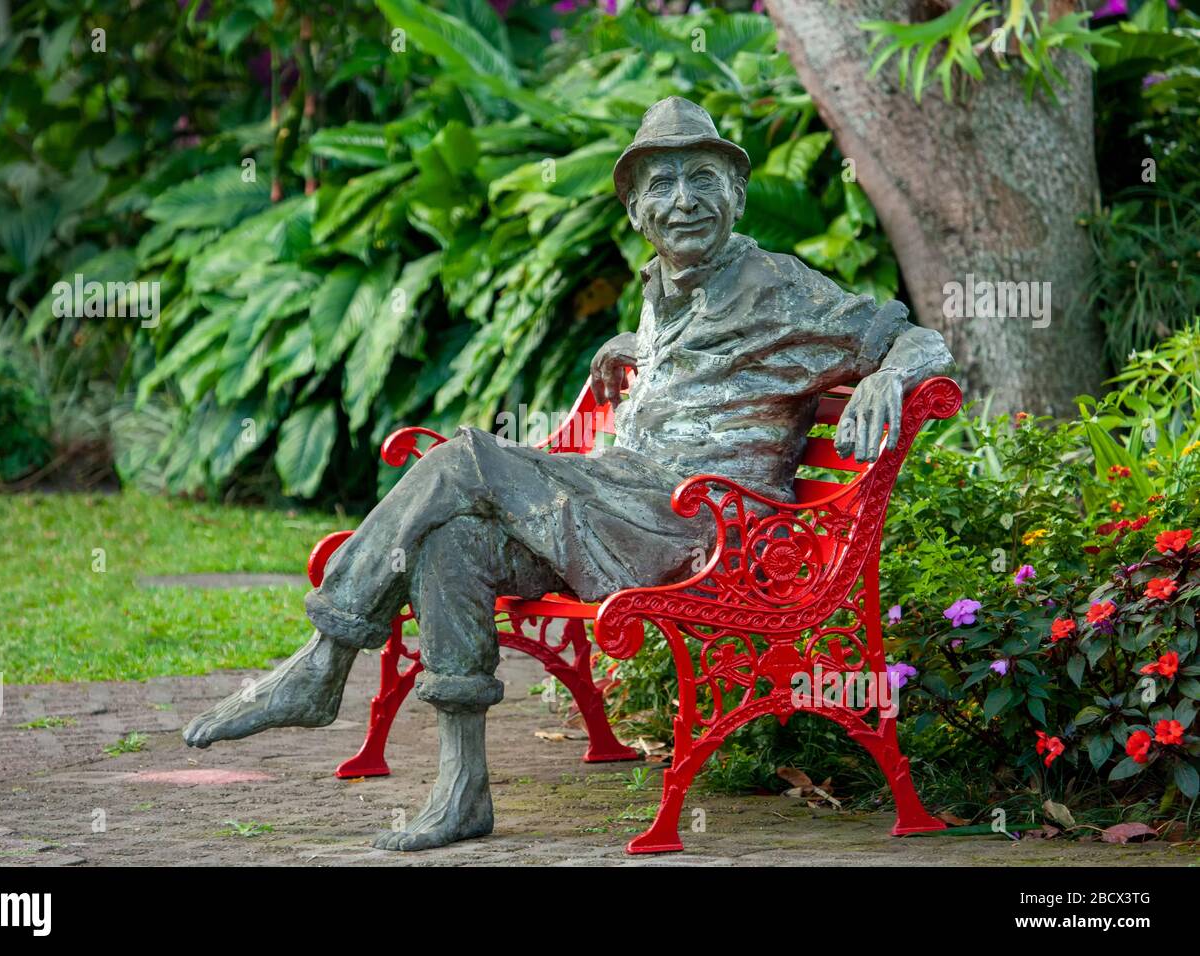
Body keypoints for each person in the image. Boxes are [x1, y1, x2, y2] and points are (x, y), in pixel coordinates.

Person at [182, 96, 954, 851]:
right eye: (661, 185)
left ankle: (324, 662)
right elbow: (705, 367)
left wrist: (888, 378)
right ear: (635, 213)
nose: (684, 202)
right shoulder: (661, 290)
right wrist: (642, 356)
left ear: (738, 194)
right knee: (453, 541)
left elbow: (917, 340)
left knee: (466, 459)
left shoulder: (778, 284)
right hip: (627, 503)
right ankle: (462, 792)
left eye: (703, 179)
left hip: (704, 528)